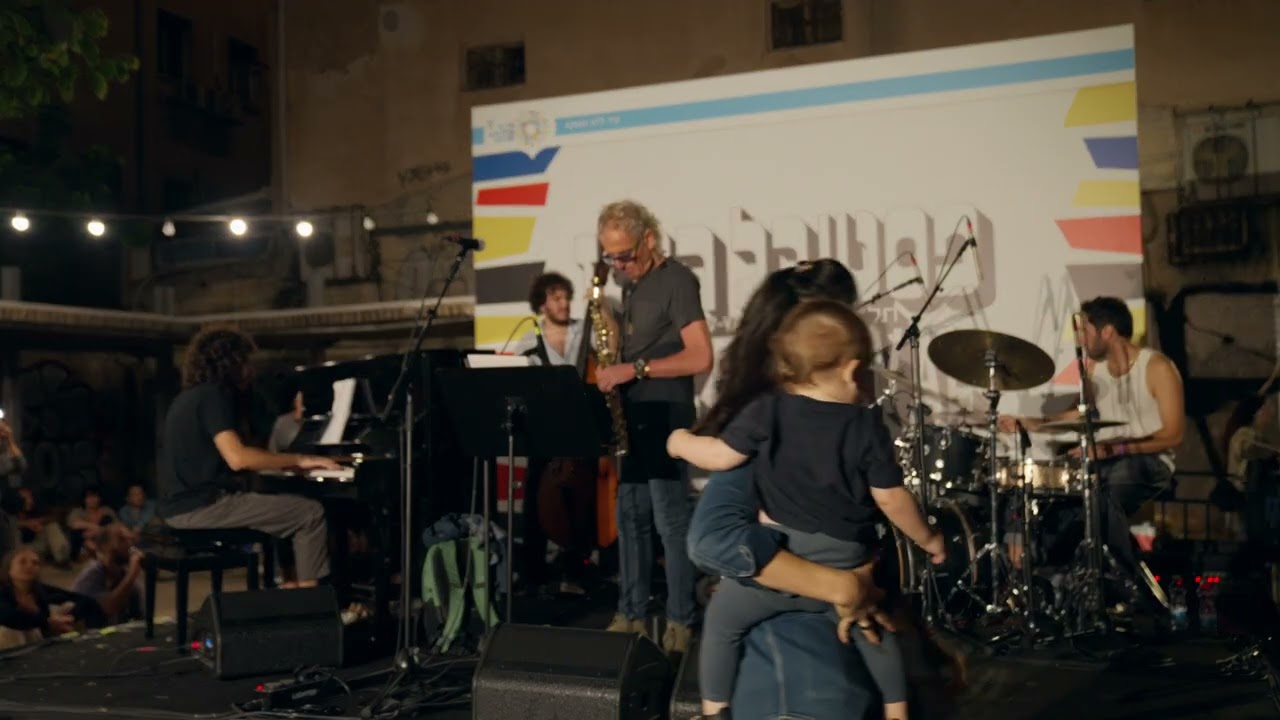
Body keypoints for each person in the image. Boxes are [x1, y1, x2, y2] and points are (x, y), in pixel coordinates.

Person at [686, 259, 963, 720]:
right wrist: (842, 583)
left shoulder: (830, 419)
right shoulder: (766, 421)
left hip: (841, 620)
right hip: (796, 652)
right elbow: (709, 539)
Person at [999, 297, 1184, 614]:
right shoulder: (1094, 368)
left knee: (1106, 486)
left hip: (1150, 462)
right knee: (1053, 485)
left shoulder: (1157, 368)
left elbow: (1174, 435)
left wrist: (1116, 448)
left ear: (1108, 332)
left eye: (1085, 330)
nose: (1080, 339)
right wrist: (1034, 423)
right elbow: (1084, 413)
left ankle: (1126, 584)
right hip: (1105, 460)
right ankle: (1055, 576)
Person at [594, 200, 713, 653]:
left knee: (669, 522)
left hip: (665, 417)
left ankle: (681, 621)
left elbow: (701, 356)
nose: (619, 265)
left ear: (649, 239)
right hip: (635, 419)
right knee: (631, 519)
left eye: (625, 254)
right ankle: (632, 614)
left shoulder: (677, 280)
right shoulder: (633, 287)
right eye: (610, 257)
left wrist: (634, 369)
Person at [157, 325, 340, 588]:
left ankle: (289, 586)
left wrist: (282, 464)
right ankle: (311, 608)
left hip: (179, 507)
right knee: (309, 513)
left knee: (284, 508)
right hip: (201, 507)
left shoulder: (187, 398)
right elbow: (238, 458)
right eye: (246, 362)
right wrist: (299, 460)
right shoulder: (213, 396)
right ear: (231, 363)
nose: (250, 370)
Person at [513, 272, 592, 594]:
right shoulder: (529, 341)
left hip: (579, 428)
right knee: (535, 498)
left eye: (566, 297)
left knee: (580, 502)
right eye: (557, 298)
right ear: (542, 304)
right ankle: (533, 572)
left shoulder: (582, 333)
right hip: (544, 433)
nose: (564, 303)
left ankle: (576, 568)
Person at [71, 523, 145, 626]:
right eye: (121, 539)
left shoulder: (129, 581)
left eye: (130, 539)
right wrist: (132, 574)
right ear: (105, 546)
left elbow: (141, 620)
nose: (129, 544)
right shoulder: (92, 575)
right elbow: (106, 609)